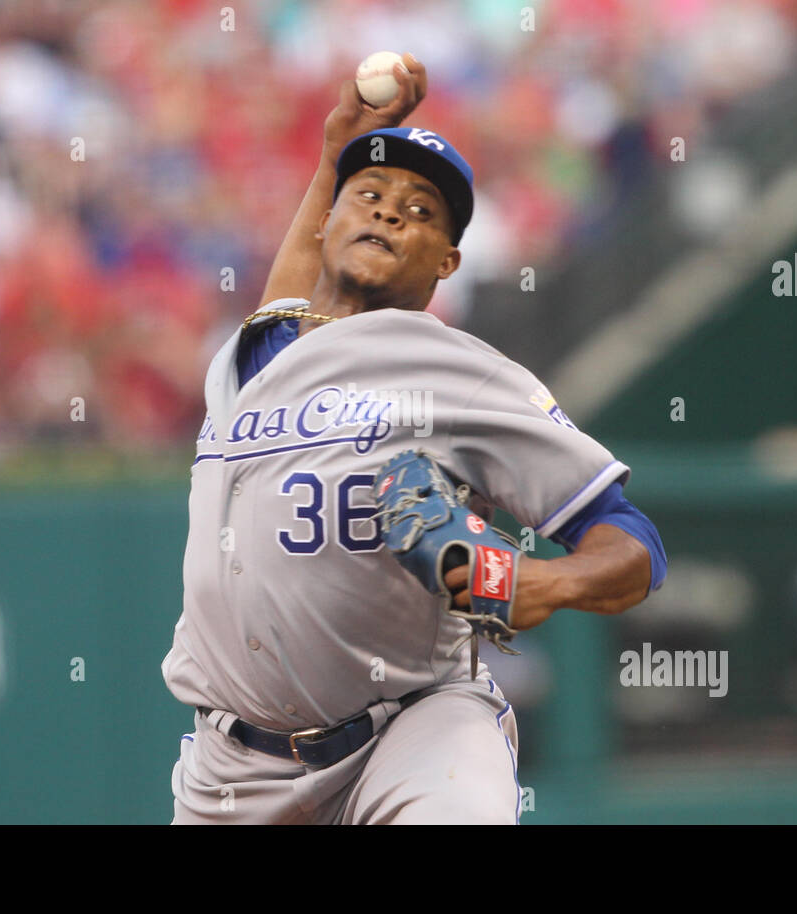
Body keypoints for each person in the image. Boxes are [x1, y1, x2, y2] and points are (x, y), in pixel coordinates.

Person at [163, 54, 666, 824]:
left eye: (423, 212)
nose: (391, 212)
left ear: (447, 263)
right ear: (330, 217)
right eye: (370, 196)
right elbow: (292, 307)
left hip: (412, 731)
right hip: (230, 771)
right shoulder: (250, 364)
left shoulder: (452, 367)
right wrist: (336, 154)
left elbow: (632, 541)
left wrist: (543, 582)